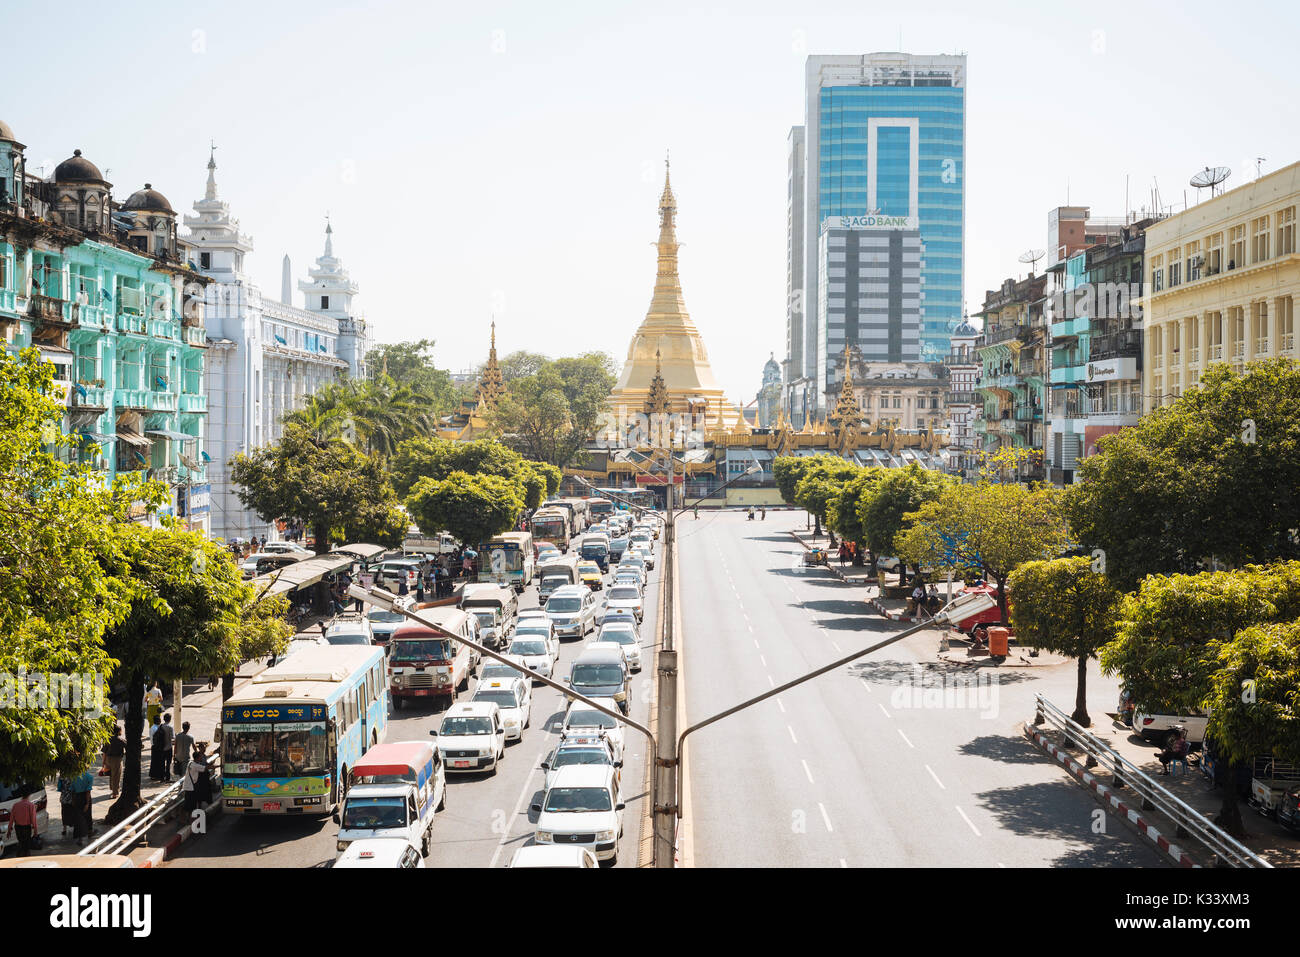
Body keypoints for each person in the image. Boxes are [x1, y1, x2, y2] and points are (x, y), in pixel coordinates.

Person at [4, 789, 38, 856]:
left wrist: (9, 830)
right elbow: (33, 820)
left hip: (18, 828)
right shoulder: (31, 805)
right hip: (27, 828)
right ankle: (26, 860)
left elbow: (11, 819)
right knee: (26, 846)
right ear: (29, 795)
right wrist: (35, 831)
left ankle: (19, 858)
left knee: (21, 843)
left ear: (21, 796)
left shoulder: (15, 805)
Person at [70, 766, 95, 846]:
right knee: (87, 816)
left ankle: (80, 838)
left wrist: (73, 801)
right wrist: (87, 803)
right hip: (85, 797)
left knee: (78, 818)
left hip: (77, 797)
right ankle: (90, 832)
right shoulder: (89, 777)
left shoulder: (74, 777)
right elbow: (88, 791)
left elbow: (72, 791)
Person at [102, 724, 126, 799]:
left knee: (111, 775)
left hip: (108, 759)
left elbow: (104, 752)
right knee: (116, 776)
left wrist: (103, 762)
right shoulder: (121, 740)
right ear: (119, 731)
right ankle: (115, 793)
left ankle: (113, 789)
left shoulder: (108, 739)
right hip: (117, 760)